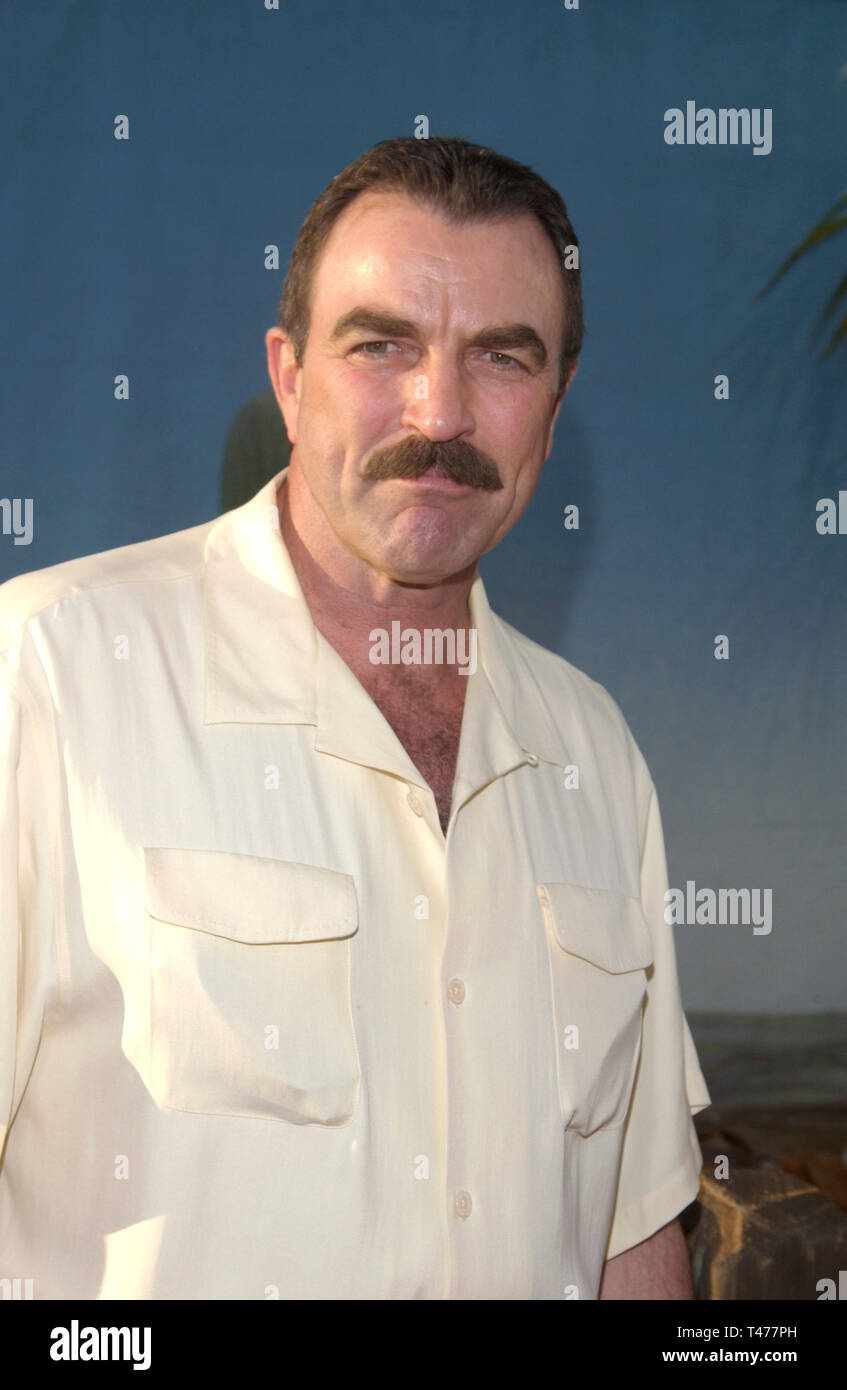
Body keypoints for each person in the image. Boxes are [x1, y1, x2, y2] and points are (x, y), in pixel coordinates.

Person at [0, 135, 710, 1300]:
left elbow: (632, 1234)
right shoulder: (47, 675)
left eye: (502, 356)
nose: (439, 410)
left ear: (556, 402)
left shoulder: (593, 753)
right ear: (287, 376)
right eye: (381, 344)